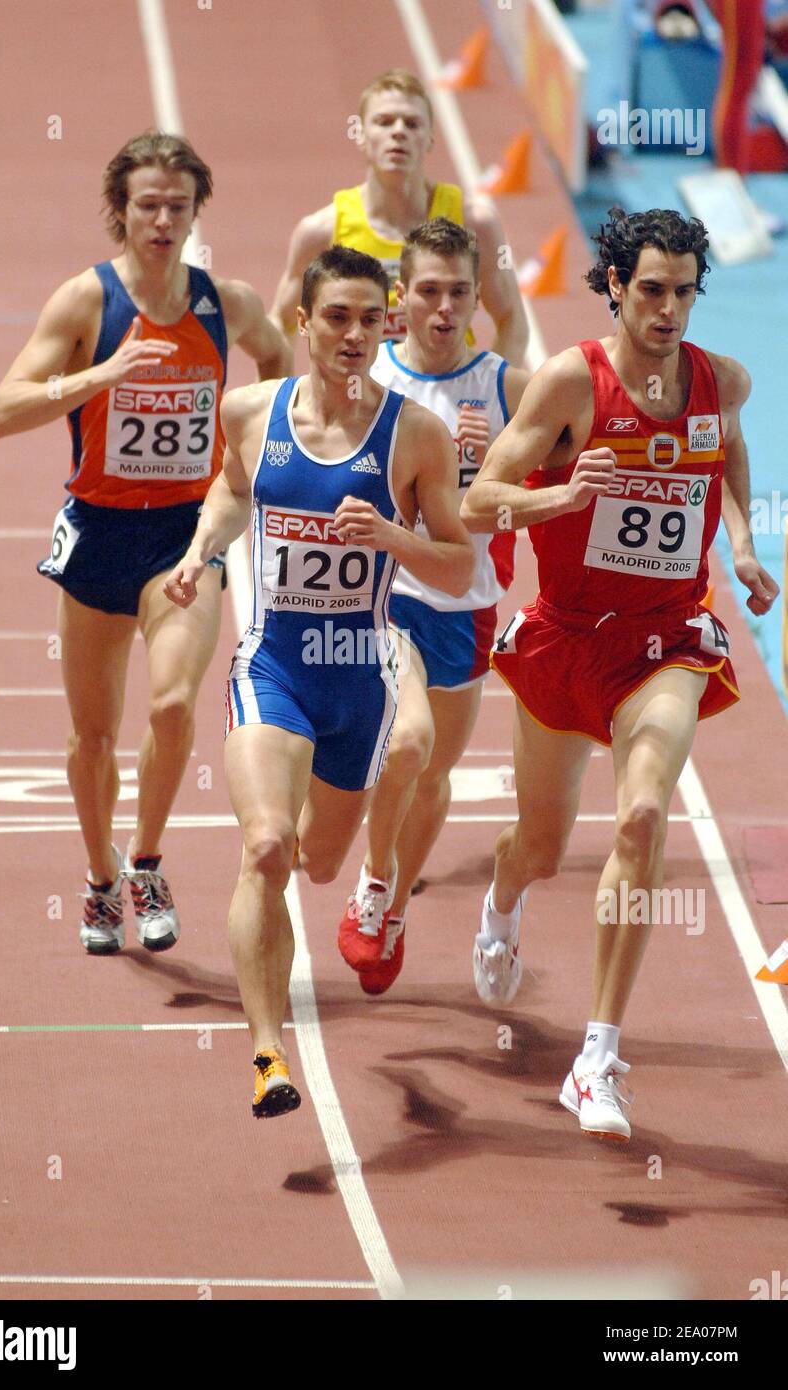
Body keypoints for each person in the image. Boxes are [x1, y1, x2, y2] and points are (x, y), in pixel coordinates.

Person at [461, 205, 779, 1141]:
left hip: (666, 638)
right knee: (541, 846)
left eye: (683, 292)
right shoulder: (570, 381)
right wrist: (564, 492)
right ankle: (503, 899)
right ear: (613, 285)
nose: (668, 309)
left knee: (641, 815)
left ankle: (597, 1055)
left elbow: (724, 450)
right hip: (566, 637)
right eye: (650, 289)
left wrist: (746, 543)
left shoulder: (720, 381)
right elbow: (481, 498)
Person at [164, 246, 473, 1117]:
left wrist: (391, 538)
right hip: (276, 666)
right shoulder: (251, 411)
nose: (353, 334)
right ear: (302, 323)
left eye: (371, 319)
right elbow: (230, 494)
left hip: (359, 679)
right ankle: (269, 1054)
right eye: (336, 317)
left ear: (391, 325)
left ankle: (370, 884)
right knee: (265, 847)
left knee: (318, 861)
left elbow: (456, 568)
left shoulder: (416, 435)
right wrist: (200, 552)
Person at [0, 131, 290, 956]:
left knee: (170, 704)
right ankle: (98, 876)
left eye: (177, 206)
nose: (162, 219)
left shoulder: (226, 302)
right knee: (91, 734)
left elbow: (278, 361)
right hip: (97, 532)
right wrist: (99, 377)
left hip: (183, 534)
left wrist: (257, 435)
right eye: (147, 204)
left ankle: (148, 860)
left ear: (197, 214)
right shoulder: (85, 302)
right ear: (119, 212)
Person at [336, 218, 528, 996]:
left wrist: (492, 468)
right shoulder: (369, 376)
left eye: (458, 292)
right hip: (382, 597)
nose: (444, 308)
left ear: (476, 297)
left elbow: (545, 498)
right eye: (428, 292)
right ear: (399, 300)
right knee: (406, 745)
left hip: (466, 601)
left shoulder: (506, 386)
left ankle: (395, 911)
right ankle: (374, 881)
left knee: (434, 773)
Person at [271, 68, 529, 365]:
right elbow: (281, 322)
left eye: (412, 123)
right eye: (383, 122)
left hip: (442, 397)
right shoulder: (321, 232)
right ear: (361, 135)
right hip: (359, 402)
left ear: (430, 138)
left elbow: (513, 323)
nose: (398, 131)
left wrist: (486, 391)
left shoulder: (474, 223)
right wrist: (281, 400)